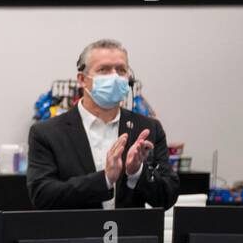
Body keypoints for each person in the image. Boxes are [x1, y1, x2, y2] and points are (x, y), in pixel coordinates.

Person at [27, 39, 178, 210]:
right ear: (82, 79)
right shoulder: (47, 133)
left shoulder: (148, 129)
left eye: (121, 70)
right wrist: (105, 179)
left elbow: (168, 196)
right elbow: (42, 196)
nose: (114, 77)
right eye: (104, 70)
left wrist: (137, 172)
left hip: (130, 235)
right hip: (76, 234)